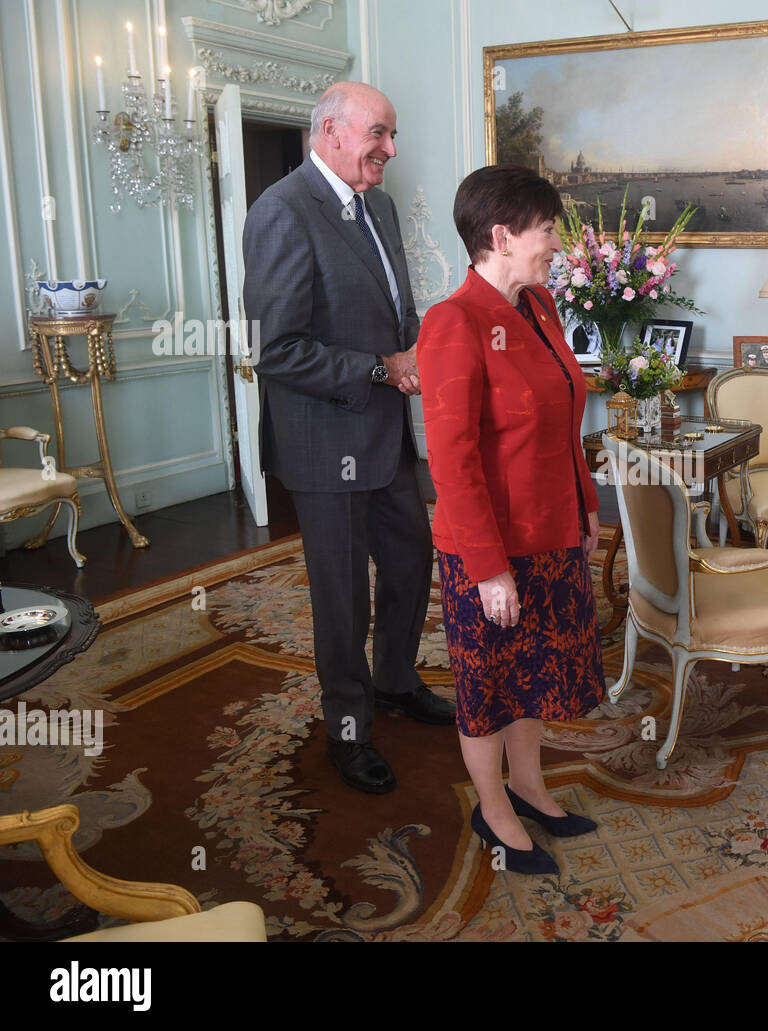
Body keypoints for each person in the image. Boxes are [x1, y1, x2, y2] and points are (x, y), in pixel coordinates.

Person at [243, 81, 455, 796]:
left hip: (386, 432)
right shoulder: (280, 212)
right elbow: (276, 349)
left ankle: (394, 681)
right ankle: (347, 728)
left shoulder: (380, 206)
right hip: (323, 438)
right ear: (331, 132)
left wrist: (421, 349)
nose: (391, 150)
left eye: (391, 136)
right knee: (343, 598)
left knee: (409, 562)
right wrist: (380, 368)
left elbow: (394, 311)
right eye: (380, 135)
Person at [418, 165, 604, 875]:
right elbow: (453, 461)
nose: (556, 243)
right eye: (548, 230)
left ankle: (529, 786)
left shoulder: (541, 306)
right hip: (490, 548)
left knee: (538, 672)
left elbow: (563, 420)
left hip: (554, 531)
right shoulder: (453, 323)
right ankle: (492, 806)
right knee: (489, 682)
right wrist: (488, 567)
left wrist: (586, 505)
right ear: (502, 235)